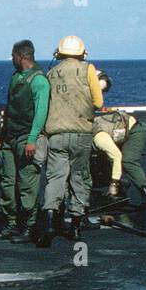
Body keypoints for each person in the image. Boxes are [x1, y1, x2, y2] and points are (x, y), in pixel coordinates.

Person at [35, 35, 103, 245]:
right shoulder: (87, 69)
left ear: (59, 53)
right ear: (82, 53)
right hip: (81, 133)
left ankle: (48, 222)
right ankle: (75, 225)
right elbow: (99, 102)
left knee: (55, 178)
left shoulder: (51, 72)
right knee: (79, 177)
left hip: (56, 135)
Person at [0, 40, 49, 241]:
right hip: (10, 136)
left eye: (13, 56)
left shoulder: (39, 81)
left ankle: (30, 226)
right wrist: (1, 134)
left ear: (21, 56)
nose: (12, 59)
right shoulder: (16, 77)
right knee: (8, 182)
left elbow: (40, 113)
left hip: (27, 137)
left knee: (27, 183)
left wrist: (32, 139)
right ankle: (11, 224)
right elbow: (9, 108)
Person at [91, 71, 146, 206]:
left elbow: (117, 156)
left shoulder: (98, 135)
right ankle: (122, 186)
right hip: (122, 130)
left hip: (135, 130)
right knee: (105, 158)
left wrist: (113, 185)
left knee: (127, 160)